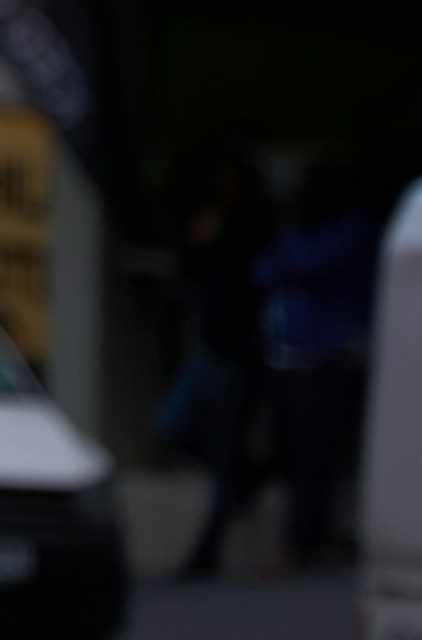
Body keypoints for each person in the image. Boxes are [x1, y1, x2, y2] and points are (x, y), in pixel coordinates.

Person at [252, 161, 384, 570]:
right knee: (288, 451)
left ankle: (303, 542)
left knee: (315, 456)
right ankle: (311, 534)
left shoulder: (350, 229)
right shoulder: (302, 233)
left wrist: (288, 242)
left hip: (326, 354)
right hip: (286, 354)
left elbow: (309, 265)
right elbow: (261, 271)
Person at [163, 155, 274, 577]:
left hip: (235, 354)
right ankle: (243, 478)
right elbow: (189, 270)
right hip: (210, 349)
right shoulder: (216, 227)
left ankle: (206, 551)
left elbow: (252, 283)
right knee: (172, 427)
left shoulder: (251, 229)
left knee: (224, 452)